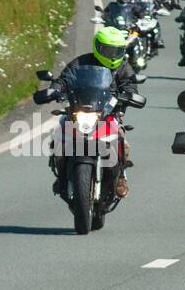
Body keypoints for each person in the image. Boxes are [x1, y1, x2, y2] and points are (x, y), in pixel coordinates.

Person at [45, 26, 140, 197]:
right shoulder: (80, 63)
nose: (112, 55)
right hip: (79, 110)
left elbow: (130, 84)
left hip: (109, 113)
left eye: (116, 51)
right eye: (108, 50)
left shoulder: (123, 67)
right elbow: (64, 79)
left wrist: (130, 95)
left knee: (120, 138)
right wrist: (54, 90)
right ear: (98, 47)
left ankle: (120, 178)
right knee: (59, 136)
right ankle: (62, 177)